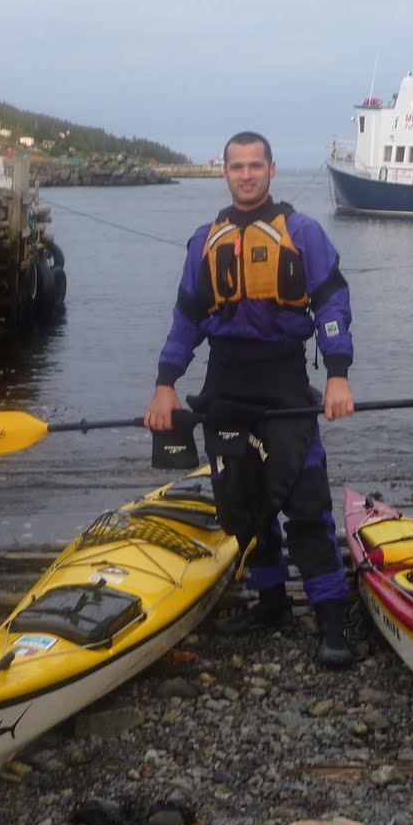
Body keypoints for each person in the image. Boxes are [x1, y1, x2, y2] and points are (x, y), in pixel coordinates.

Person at [144, 131, 356, 669]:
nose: (245, 174)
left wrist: (337, 374)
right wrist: (166, 383)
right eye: (236, 166)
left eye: (254, 165)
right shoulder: (204, 240)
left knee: (306, 504)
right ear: (224, 171)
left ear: (271, 169)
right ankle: (271, 602)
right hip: (226, 382)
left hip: (285, 381)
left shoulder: (302, 233)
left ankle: (332, 616)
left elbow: (332, 302)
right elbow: (186, 320)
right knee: (241, 502)